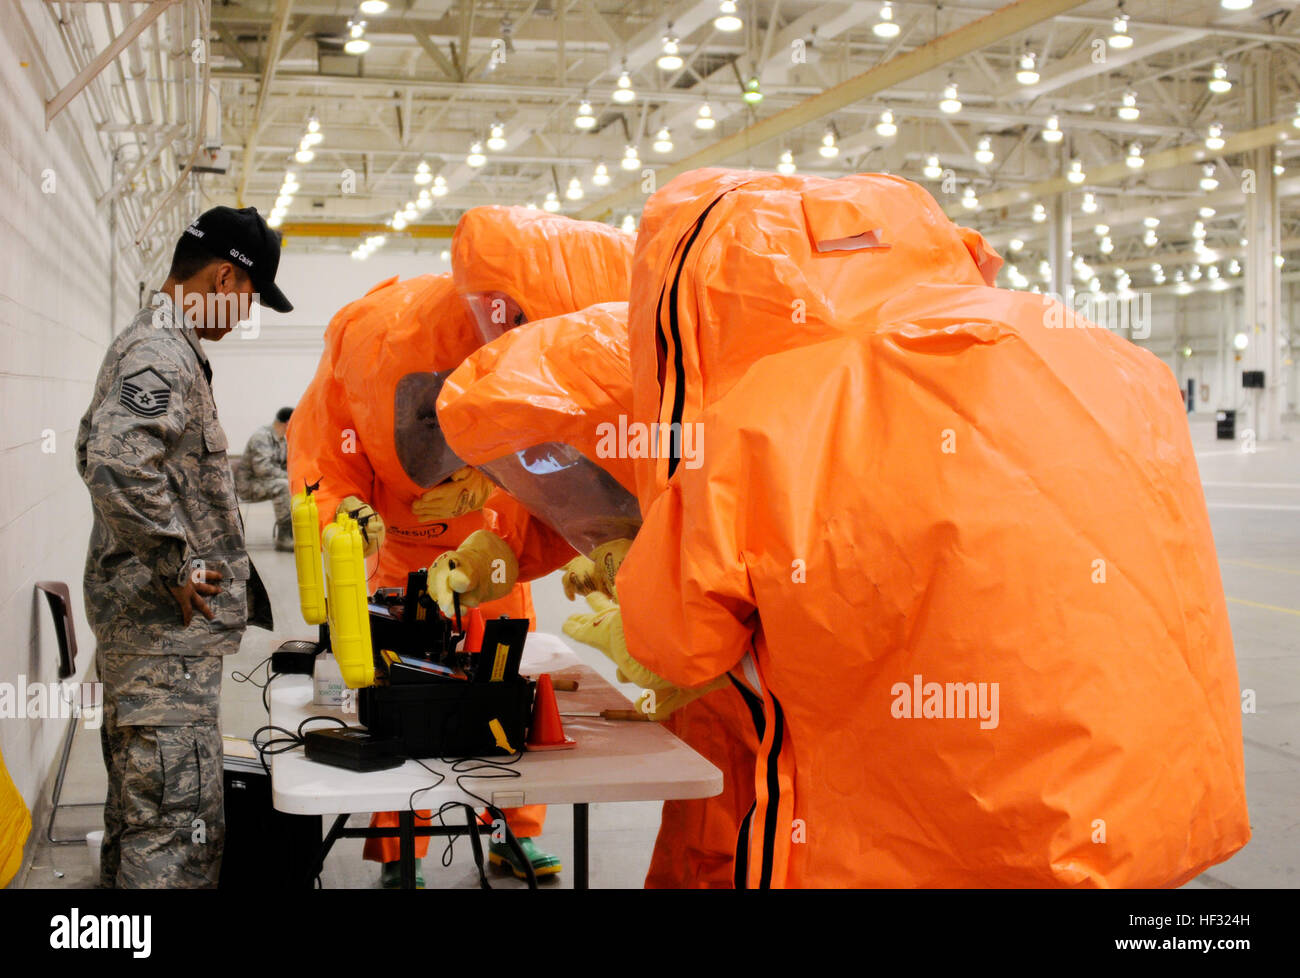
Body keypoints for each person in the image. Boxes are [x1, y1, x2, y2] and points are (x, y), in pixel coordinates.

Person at [565, 168, 1250, 887]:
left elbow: (678, 646)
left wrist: (628, 596)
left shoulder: (763, 425)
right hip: (1155, 822)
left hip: (914, 853)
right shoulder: (1123, 367)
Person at [287, 273, 560, 886]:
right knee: (395, 708)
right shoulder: (359, 362)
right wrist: (344, 516)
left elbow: (553, 442)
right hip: (402, 569)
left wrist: (493, 482)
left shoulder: (509, 343)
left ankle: (515, 835)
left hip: (492, 561)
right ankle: (399, 847)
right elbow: (323, 466)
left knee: (503, 697)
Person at [76, 205, 288, 887]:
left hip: (160, 648)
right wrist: (177, 565)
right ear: (225, 277)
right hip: (160, 647)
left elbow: (101, 450)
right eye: (250, 298)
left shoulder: (162, 346)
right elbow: (113, 459)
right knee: (171, 840)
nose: (245, 315)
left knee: (144, 822)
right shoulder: (160, 352)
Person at [236, 406, 294, 551]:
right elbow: (263, 470)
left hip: (265, 482)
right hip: (249, 485)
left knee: (297, 484)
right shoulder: (261, 437)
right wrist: (290, 477)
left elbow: (287, 465)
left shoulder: (281, 440)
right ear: (288, 423)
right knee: (284, 486)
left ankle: (295, 531)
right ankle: (284, 537)